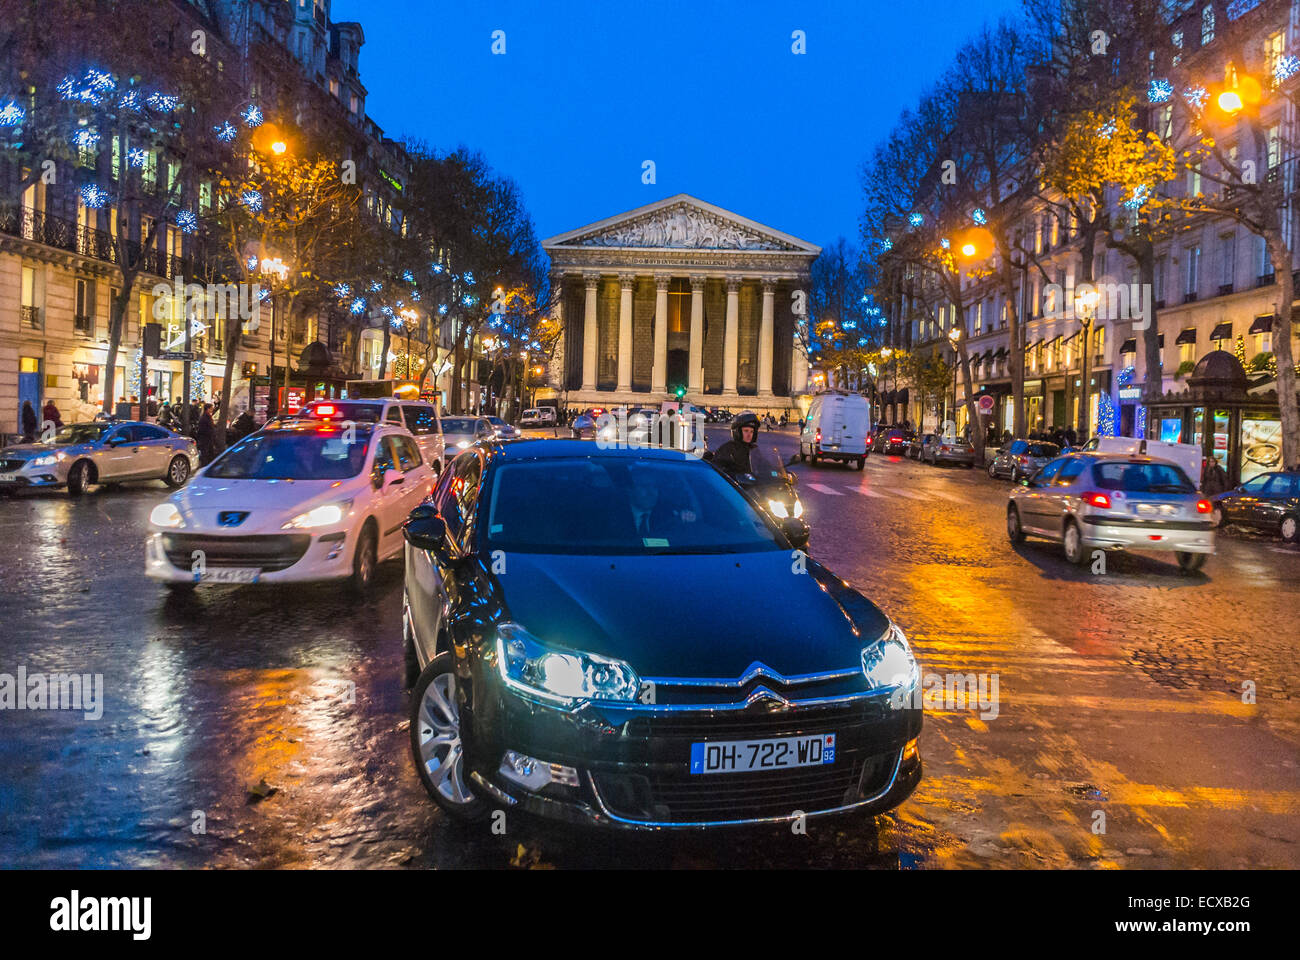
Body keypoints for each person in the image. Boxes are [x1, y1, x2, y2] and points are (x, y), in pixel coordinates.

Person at [711, 411, 762, 476]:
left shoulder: (753, 448)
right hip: (735, 485)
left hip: (756, 485)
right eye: (746, 431)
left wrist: (775, 472)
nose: (749, 435)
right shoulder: (728, 448)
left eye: (752, 432)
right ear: (737, 431)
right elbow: (718, 469)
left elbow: (763, 464)